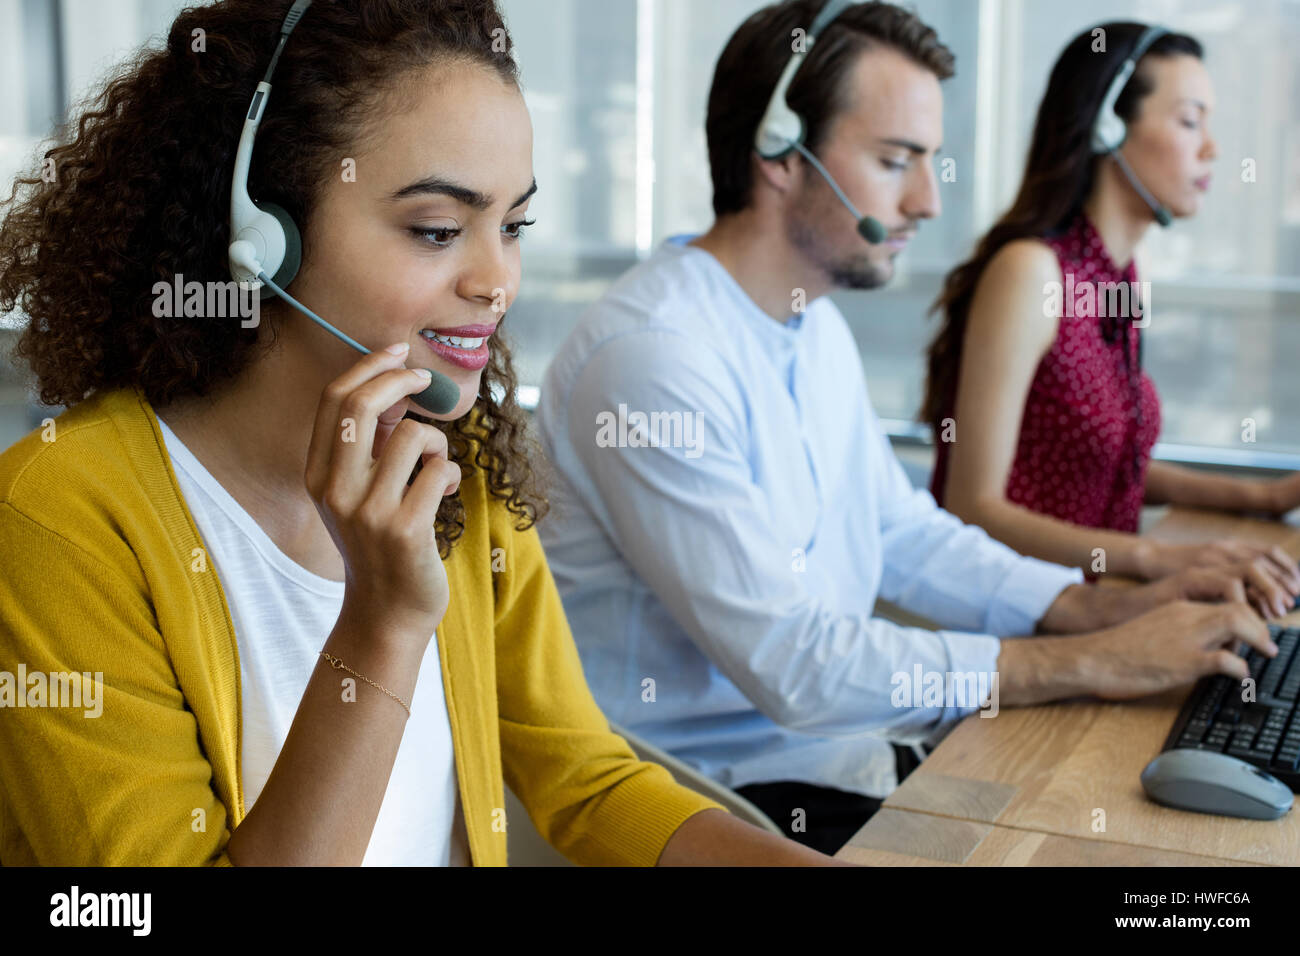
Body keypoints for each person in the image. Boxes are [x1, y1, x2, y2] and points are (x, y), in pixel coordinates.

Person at [0, 0, 842, 867]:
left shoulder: (457, 461)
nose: (497, 279)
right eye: (439, 230)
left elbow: (586, 779)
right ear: (261, 241)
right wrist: (384, 622)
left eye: (513, 226)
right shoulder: (56, 519)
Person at [534, 0, 1275, 857]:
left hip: (842, 758)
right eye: (896, 161)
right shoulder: (652, 361)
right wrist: (1099, 659)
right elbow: (795, 665)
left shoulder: (811, 327)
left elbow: (902, 534)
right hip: (720, 804)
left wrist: (1092, 608)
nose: (927, 199)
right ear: (780, 150)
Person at [921, 22, 1300, 611]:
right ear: (1108, 127)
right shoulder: (1031, 273)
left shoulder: (1121, 274)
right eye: (1189, 120)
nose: (1212, 148)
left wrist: (1266, 497)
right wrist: (1157, 557)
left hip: (1106, 611)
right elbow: (973, 507)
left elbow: (1110, 464)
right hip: (1016, 626)